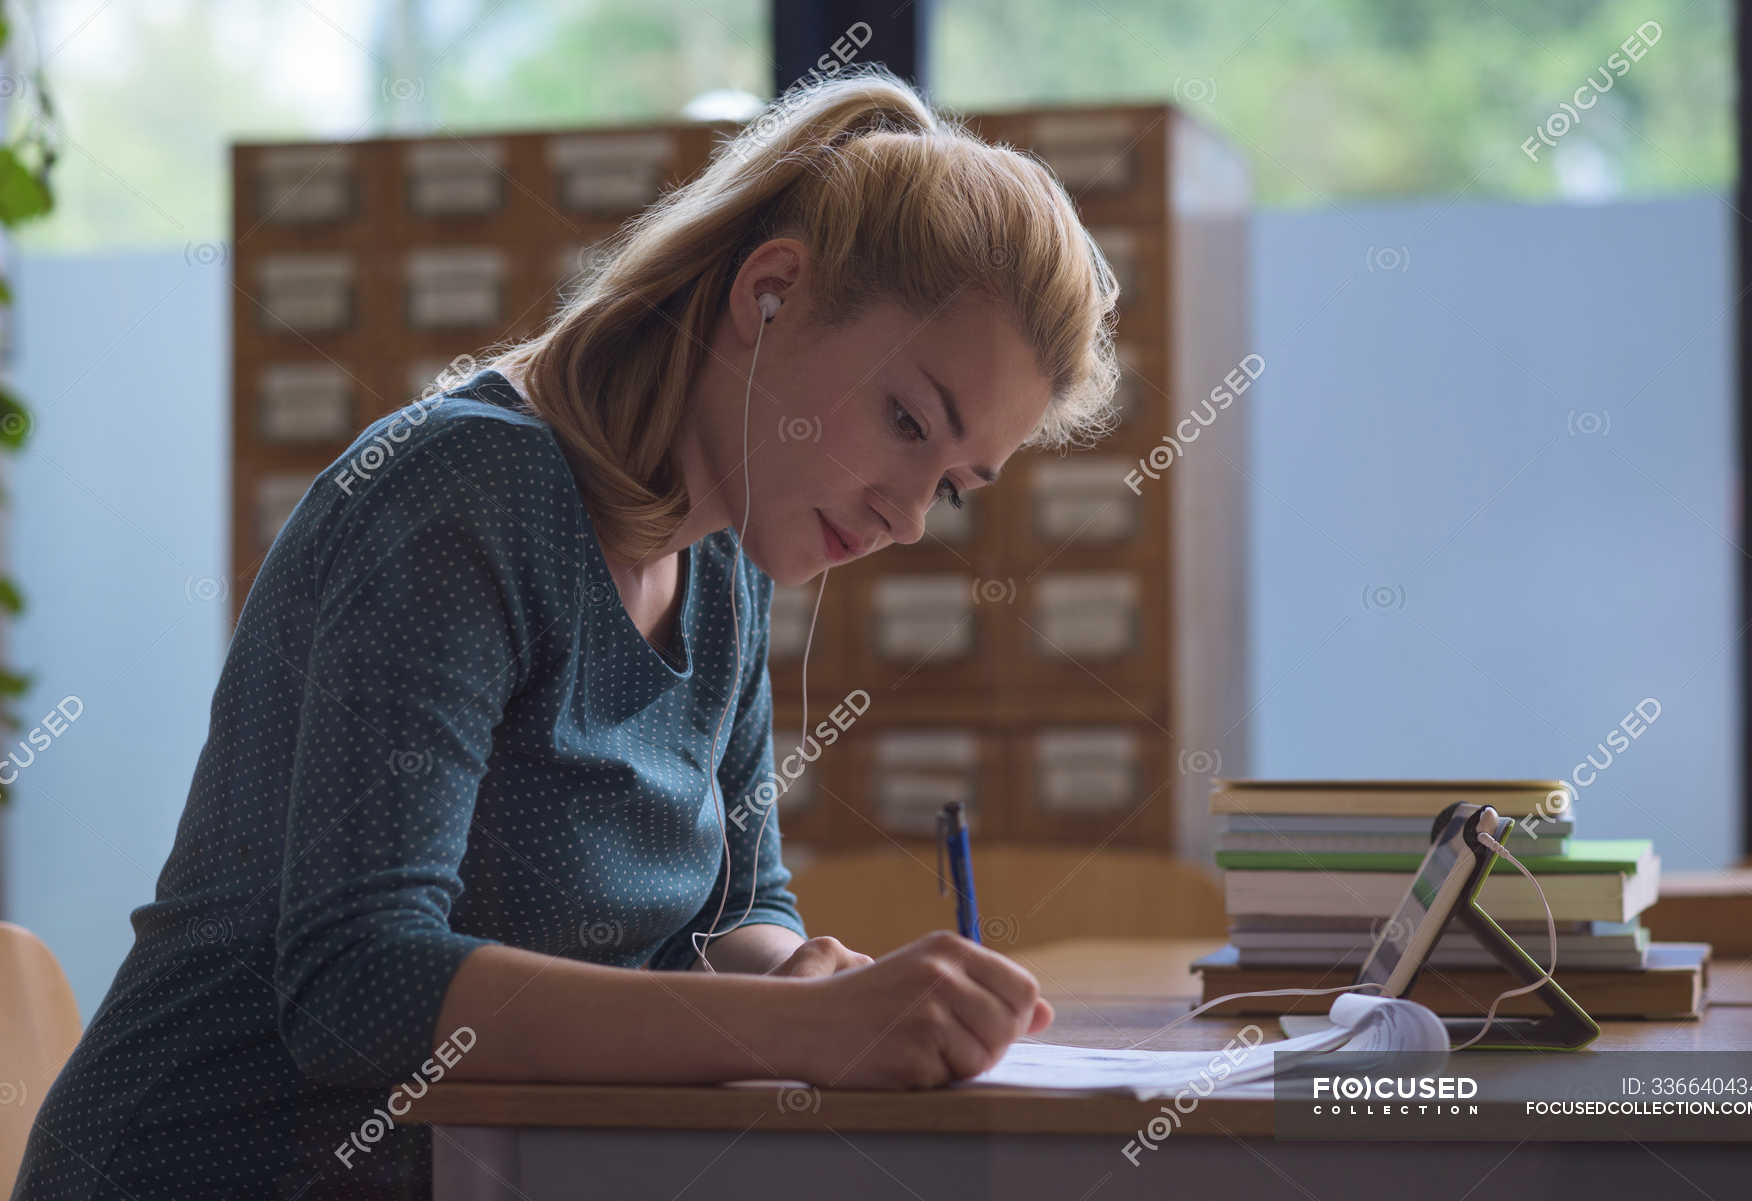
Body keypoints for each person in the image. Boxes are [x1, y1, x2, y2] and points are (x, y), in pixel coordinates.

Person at [11, 63, 1120, 1200]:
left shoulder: (727, 556)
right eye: (904, 422)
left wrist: (797, 972)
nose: (902, 513)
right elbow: (356, 987)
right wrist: (795, 1032)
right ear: (770, 292)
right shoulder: (463, 495)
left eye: (951, 485)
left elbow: (732, 908)